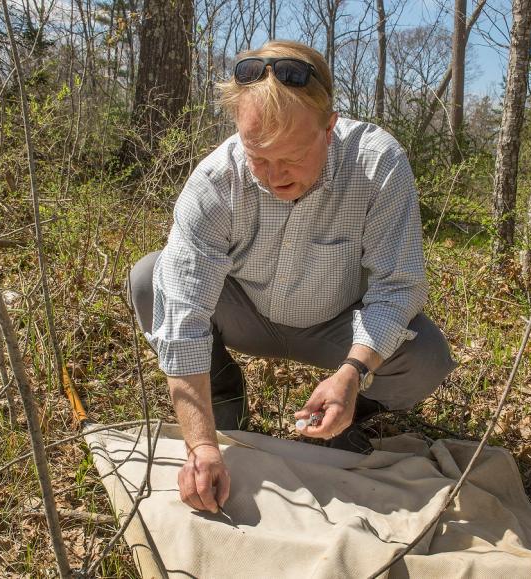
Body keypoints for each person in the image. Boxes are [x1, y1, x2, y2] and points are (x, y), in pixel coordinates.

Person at [129, 40, 456, 514]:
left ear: (329, 128)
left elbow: (397, 286)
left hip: (337, 325)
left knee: (425, 356)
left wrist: (353, 373)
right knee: (150, 279)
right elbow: (183, 311)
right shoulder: (215, 180)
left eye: (293, 157)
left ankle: (345, 413)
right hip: (244, 314)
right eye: (258, 157)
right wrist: (201, 446)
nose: (274, 176)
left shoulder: (377, 163)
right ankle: (223, 397)